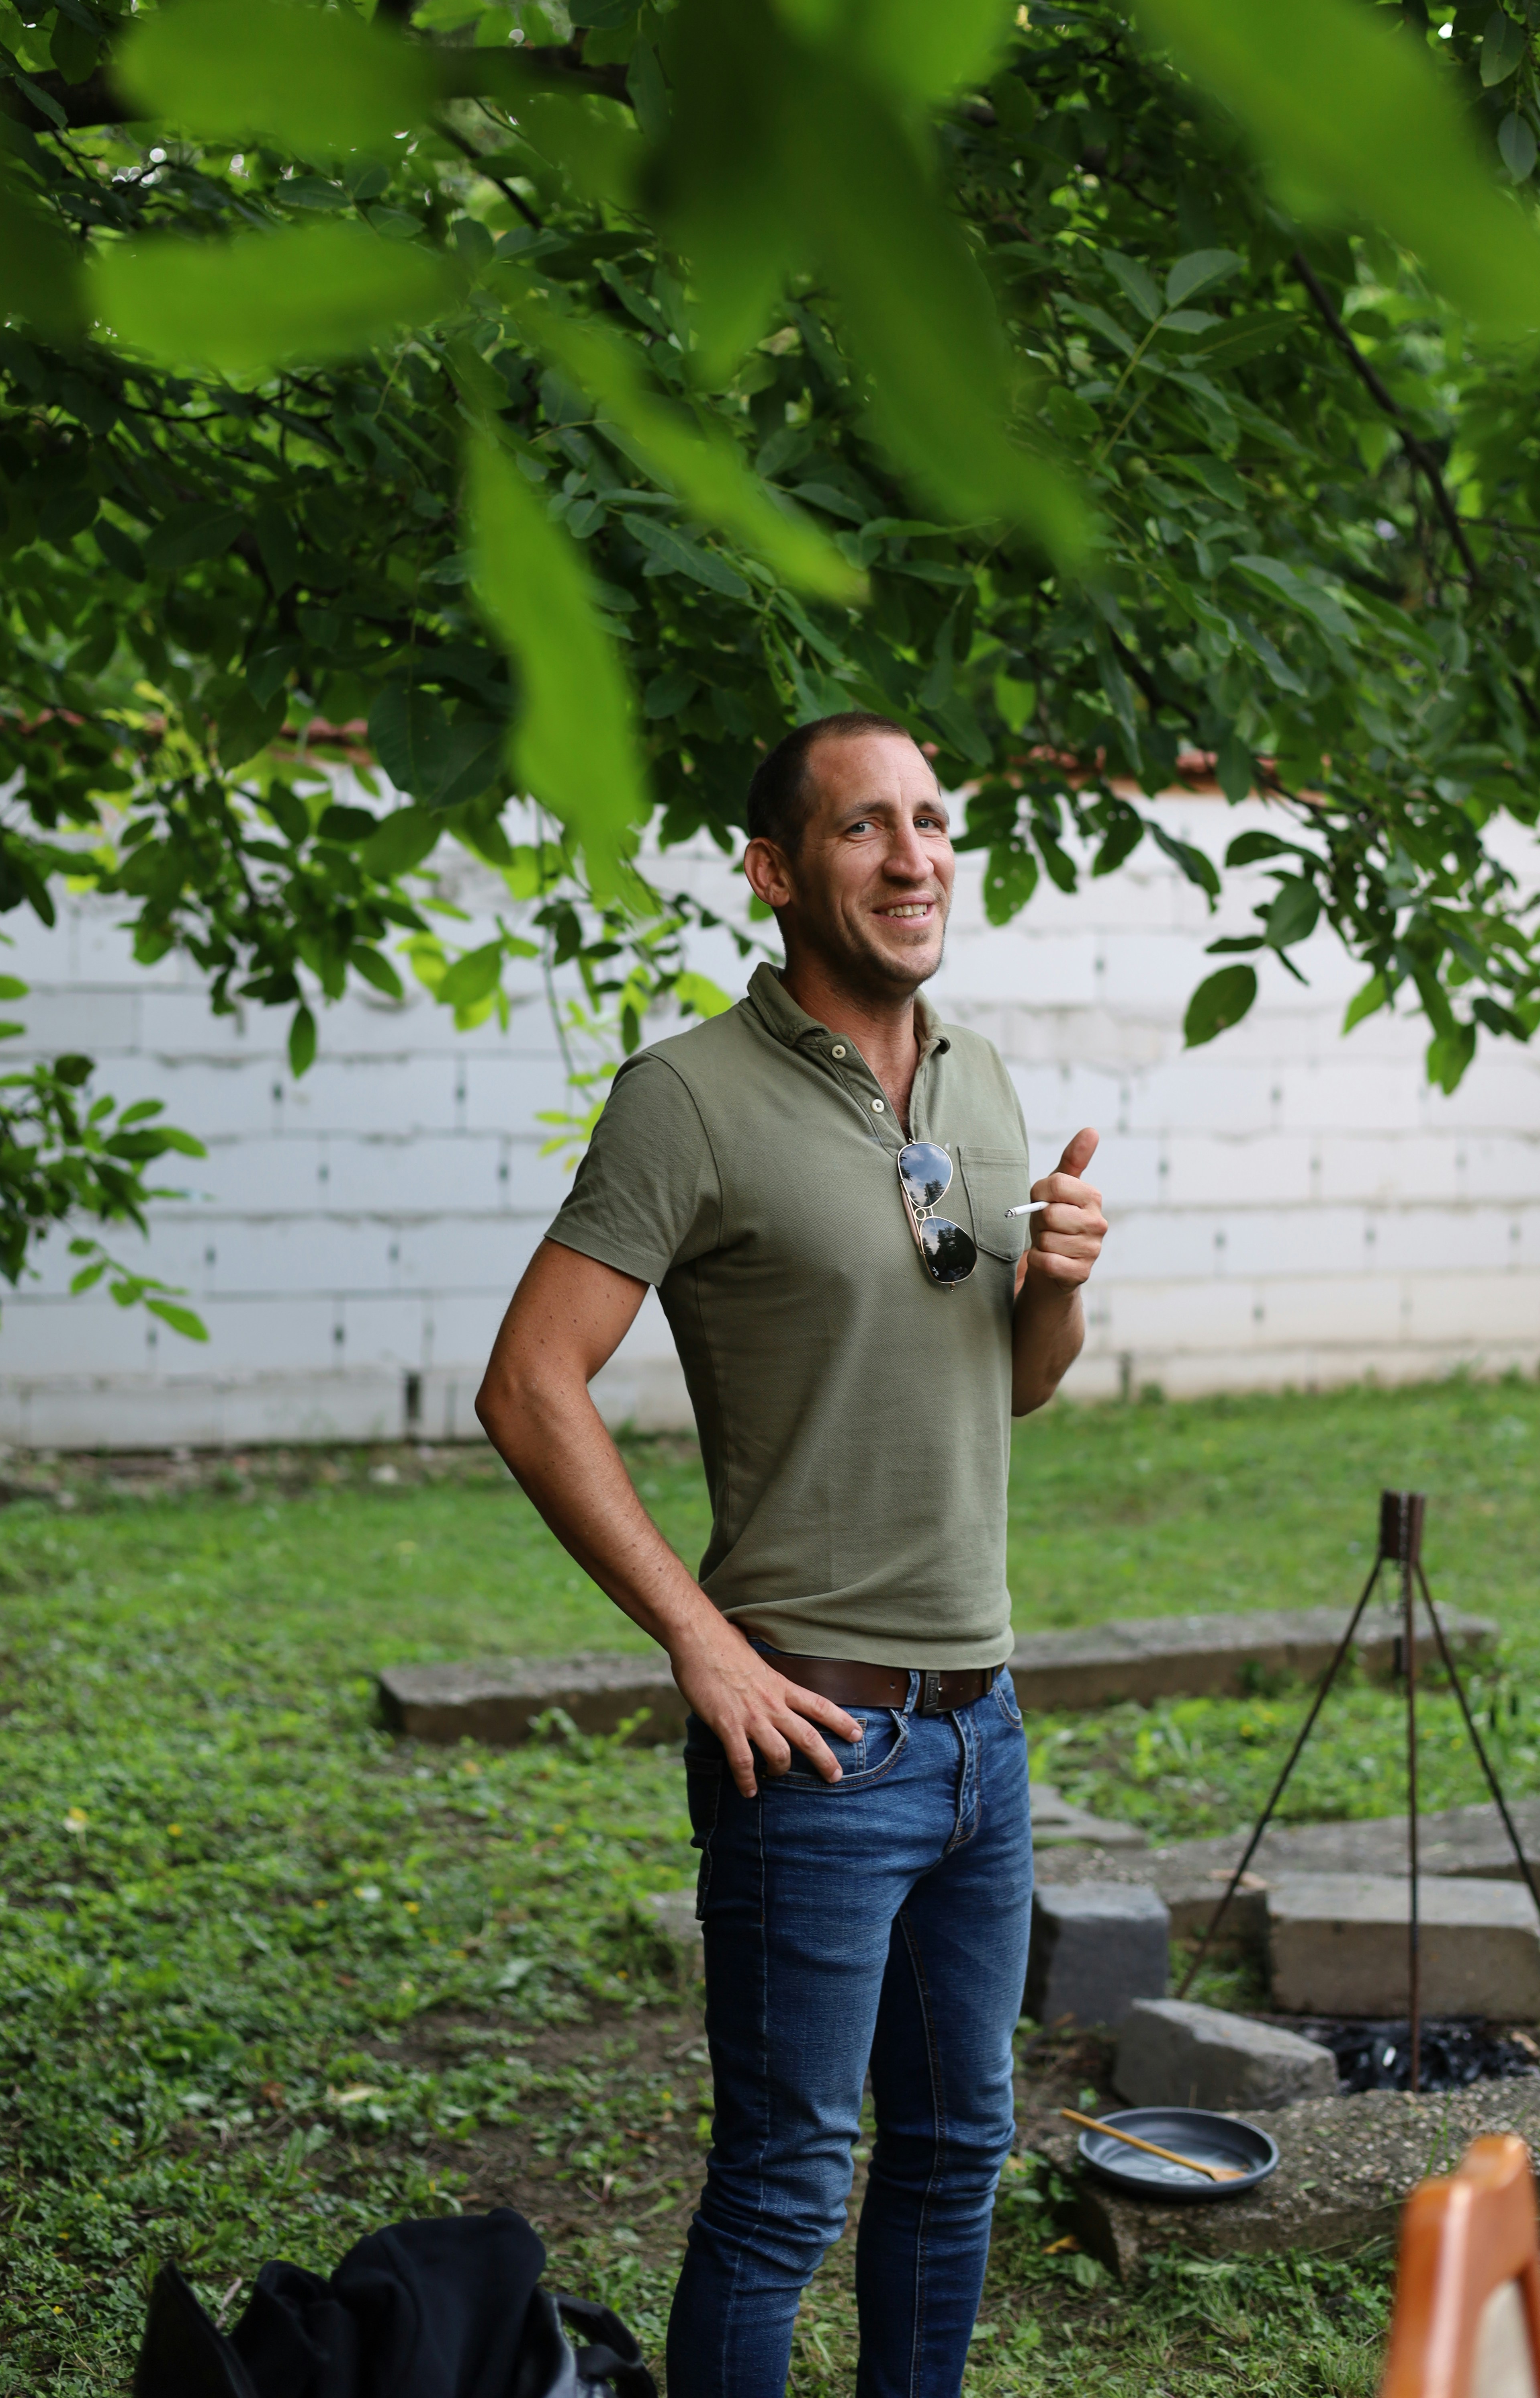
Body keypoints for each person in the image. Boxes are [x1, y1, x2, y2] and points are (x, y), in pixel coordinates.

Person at [474, 713, 1107, 2398]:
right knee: (782, 2190)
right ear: (772, 870)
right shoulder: (686, 1098)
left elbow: (1014, 1384)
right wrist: (701, 1642)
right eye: (862, 828)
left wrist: (1056, 1286)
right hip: (814, 1745)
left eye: (931, 821)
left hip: (982, 1729)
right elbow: (529, 1385)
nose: (913, 858)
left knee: (957, 2152)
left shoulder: (980, 1079)